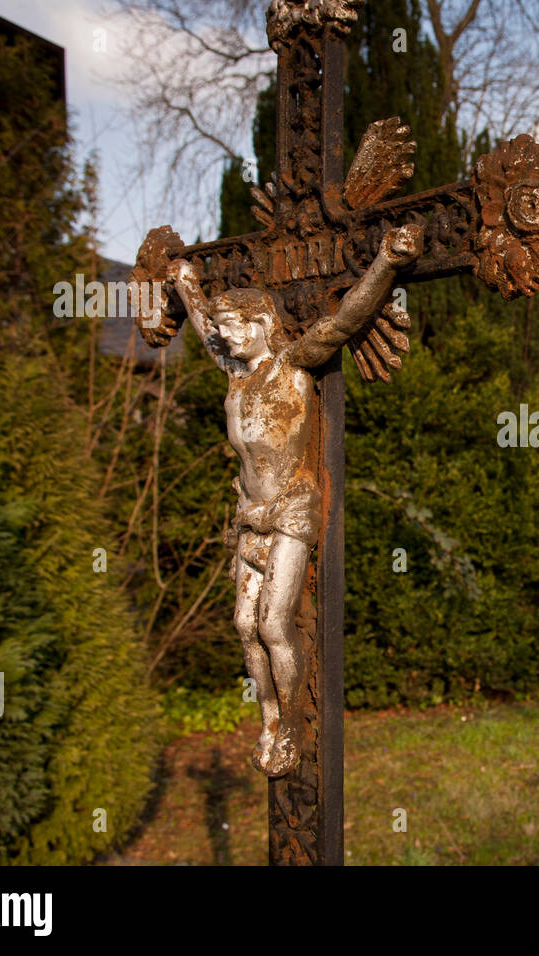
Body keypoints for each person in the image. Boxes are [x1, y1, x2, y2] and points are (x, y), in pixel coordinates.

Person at [165, 222, 423, 775]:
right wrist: (186, 283)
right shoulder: (235, 373)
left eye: (239, 328)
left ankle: (291, 723)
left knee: (274, 623)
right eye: (227, 330)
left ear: (262, 324)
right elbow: (205, 328)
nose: (229, 337)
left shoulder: (294, 364)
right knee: (243, 625)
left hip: (290, 507)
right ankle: (266, 717)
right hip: (250, 512)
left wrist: (388, 261)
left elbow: (346, 321)